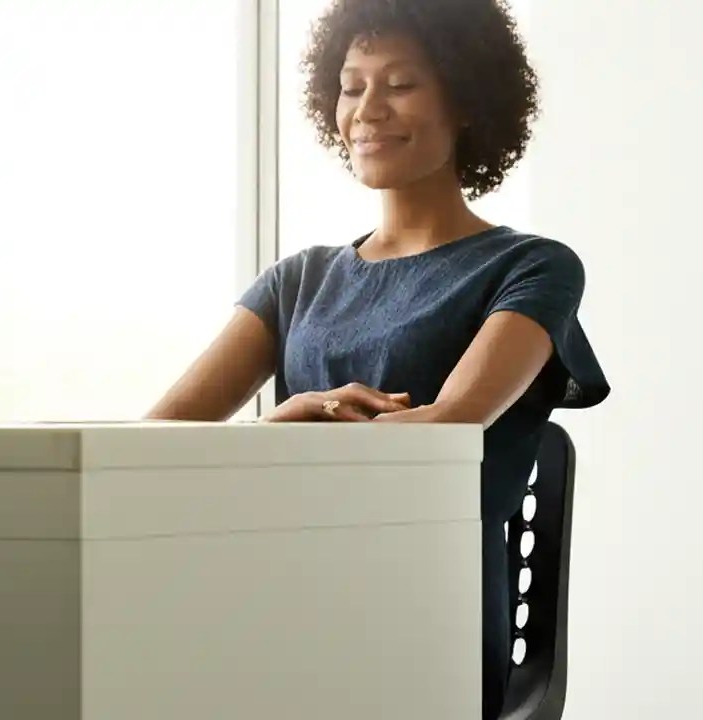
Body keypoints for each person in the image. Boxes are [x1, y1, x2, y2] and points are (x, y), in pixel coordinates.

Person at [147, 0, 610, 715]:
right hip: (270, 602)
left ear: (464, 98)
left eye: (399, 84)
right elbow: (152, 446)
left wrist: (295, 435)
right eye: (351, 84)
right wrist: (284, 423)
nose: (367, 108)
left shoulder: (532, 268)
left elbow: (447, 434)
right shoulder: (297, 280)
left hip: (420, 622)